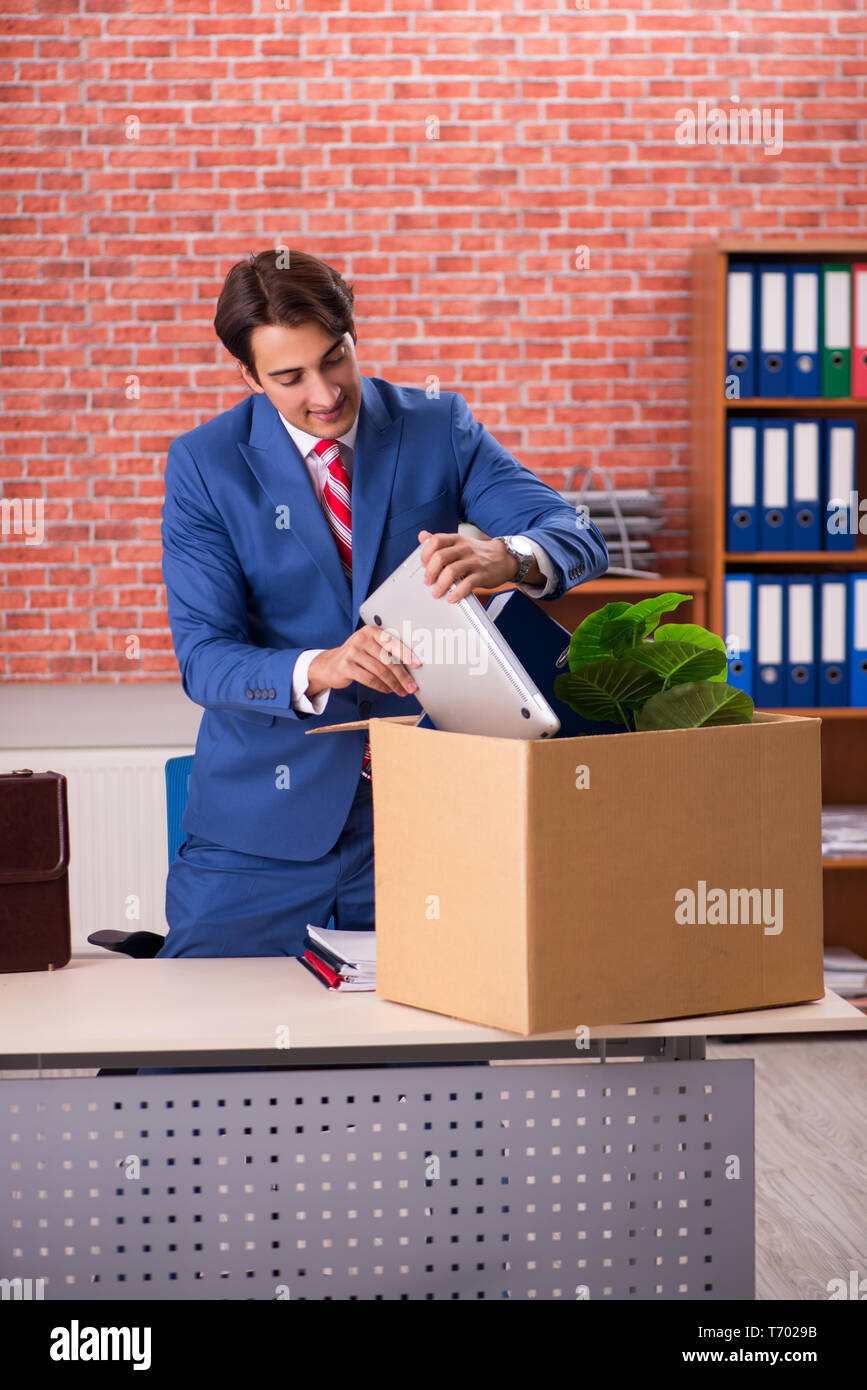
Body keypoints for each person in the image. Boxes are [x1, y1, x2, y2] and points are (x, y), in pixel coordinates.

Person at [158, 248, 609, 960]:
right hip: (256, 843)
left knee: (431, 1056)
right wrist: (326, 665)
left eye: (334, 358)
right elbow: (205, 661)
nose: (325, 392)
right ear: (247, 377)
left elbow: (576, 535)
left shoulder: (437, 425)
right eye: (289, 376)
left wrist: (507, 557)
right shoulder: (204, 466)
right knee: (194, 1054)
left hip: (426, 821)